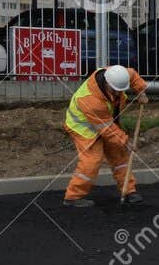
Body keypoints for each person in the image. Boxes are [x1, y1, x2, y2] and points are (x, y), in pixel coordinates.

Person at [62, 63, 148, 208]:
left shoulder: (118, 74)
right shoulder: (91, 100)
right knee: (92, 160)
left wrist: (141, 91)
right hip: (84, 128)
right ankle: (73, 197)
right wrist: (126, 142)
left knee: (119, 155)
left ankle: (129, 191)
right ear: (107, 83)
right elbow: (107, 129)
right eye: (114, 90)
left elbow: (132, 74)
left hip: (106, 122)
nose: (117, 94)